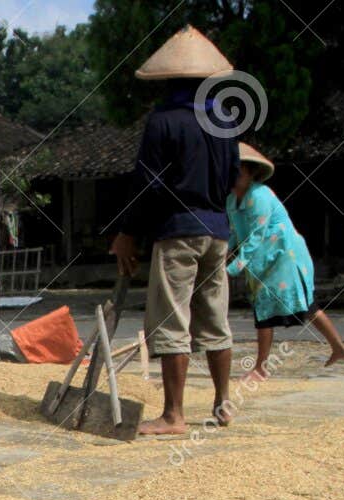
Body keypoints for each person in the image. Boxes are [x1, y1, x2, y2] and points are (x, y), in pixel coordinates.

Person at [107, 26, 238, 436]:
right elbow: (233, 175)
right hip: (217, 231)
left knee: (171, 321)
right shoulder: (225, 120)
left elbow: (148, 183)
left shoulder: (163, 121)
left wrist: (129, 233)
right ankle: (222, 403)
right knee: (215, 318)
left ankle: (173, 415)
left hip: (180, 230)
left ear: (168, 80)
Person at [227, 144, 344, 379]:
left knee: (301, 305)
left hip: (283, 254)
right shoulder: (231, 200)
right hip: (262, 258)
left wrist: (232, 268)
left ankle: (261, 367)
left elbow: (256, 235)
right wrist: (222, 255)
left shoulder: (259, 195)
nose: (233, 177)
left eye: (238, 172)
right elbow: (234, 233)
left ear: (251, 173)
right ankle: (338, 348)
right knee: (265, 308)